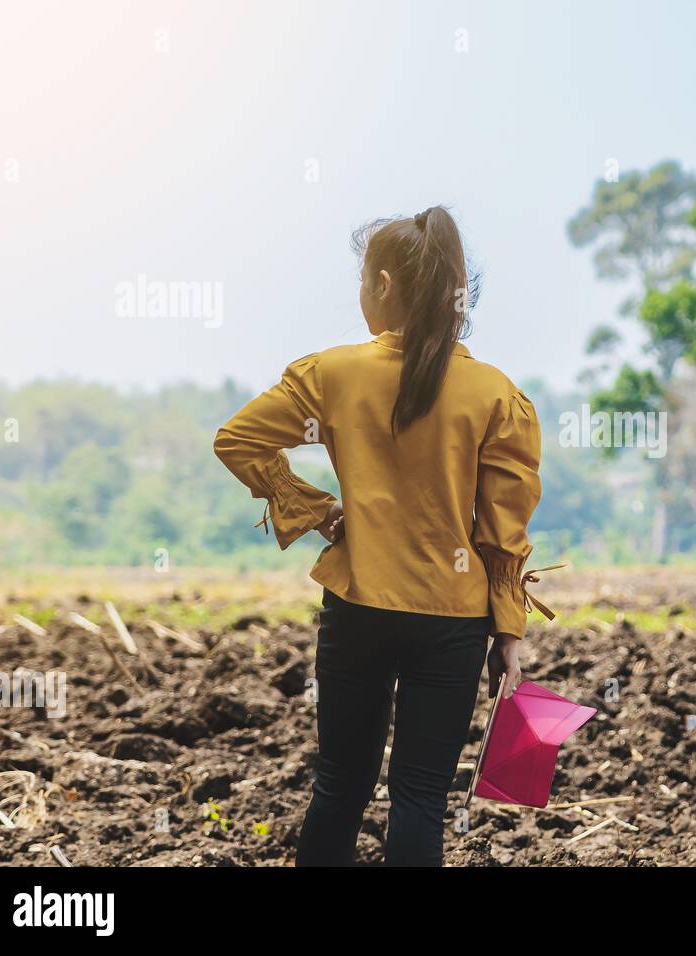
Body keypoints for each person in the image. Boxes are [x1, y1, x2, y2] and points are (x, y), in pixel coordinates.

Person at [213, 206, 542, 866]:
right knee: (420, 799)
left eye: (362, 281)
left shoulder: (331, 374)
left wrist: (312, 509)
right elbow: (503, 533)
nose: (359, 295)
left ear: (384, 285)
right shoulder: (496, 395)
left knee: (339, 789)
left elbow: (239, 439)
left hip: (359, 607)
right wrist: (508, 632)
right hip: (453, 621)